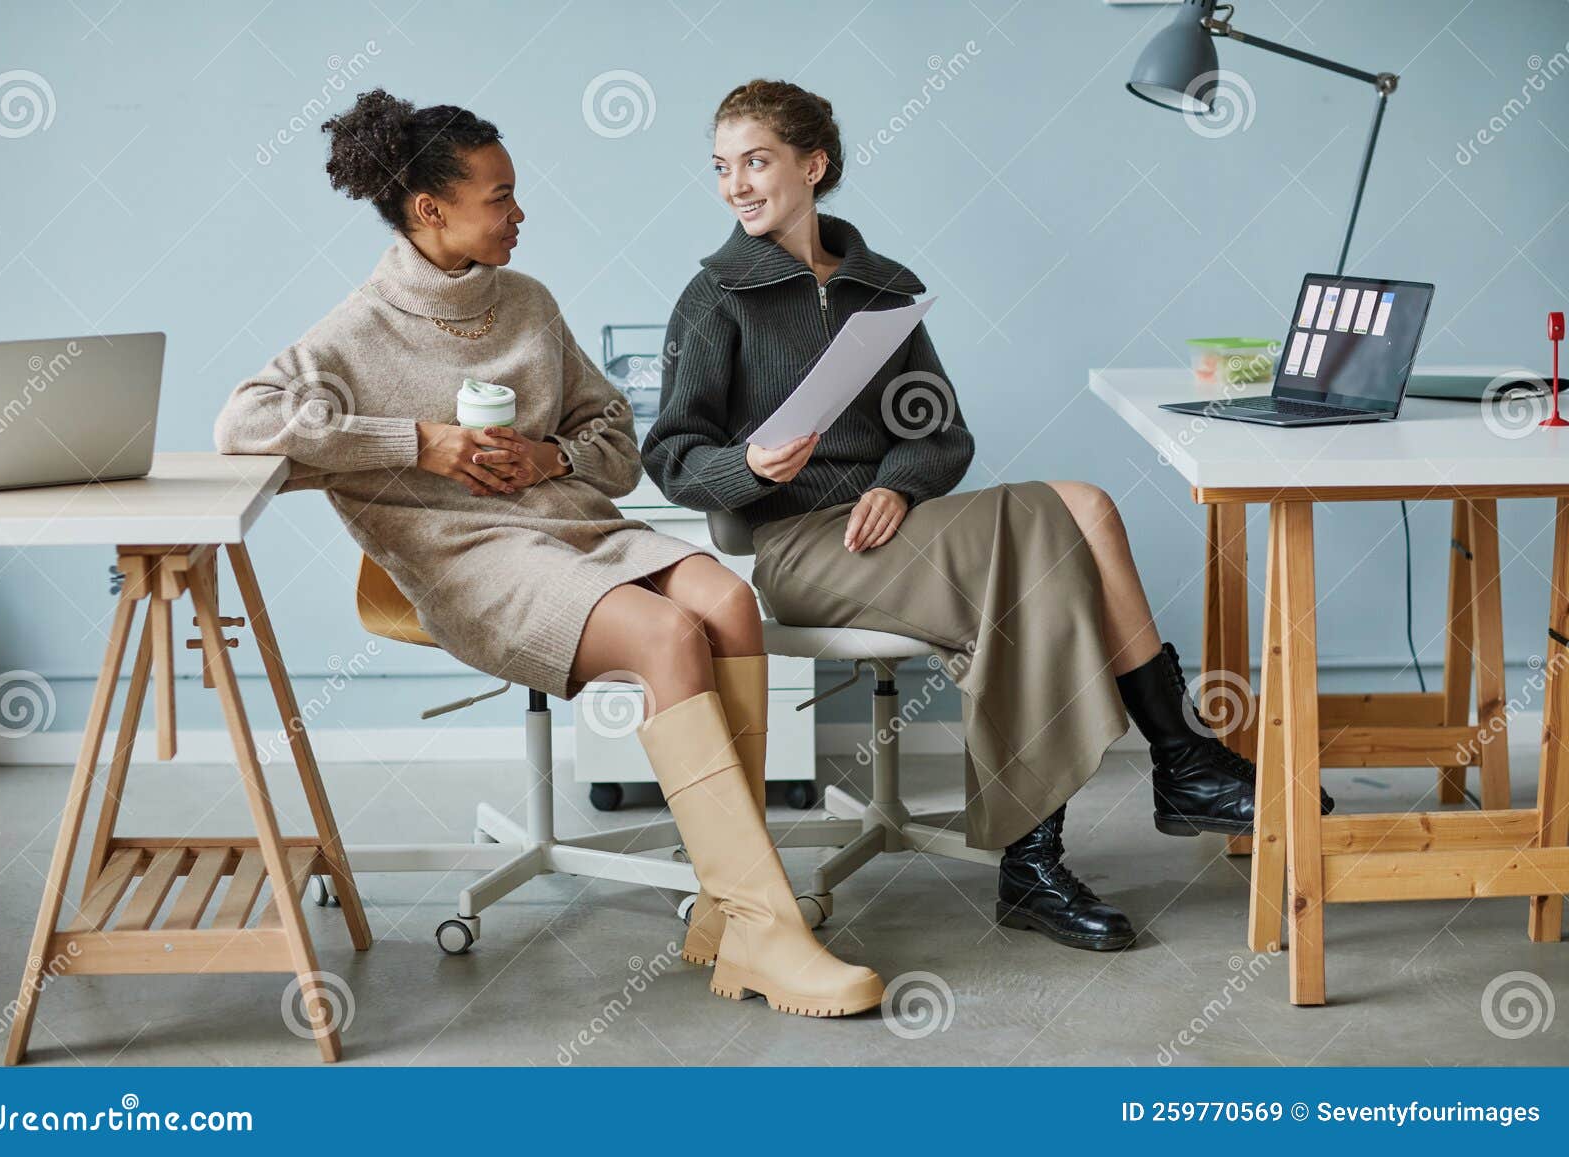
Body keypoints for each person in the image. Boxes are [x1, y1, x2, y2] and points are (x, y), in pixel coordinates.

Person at [213, 88, 882, 1017]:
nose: (520, 213)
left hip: (579, 528)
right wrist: (419, 442)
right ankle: (767, 927)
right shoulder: (357, 331)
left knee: (727, 603)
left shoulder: (527, 302)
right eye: (500, 197)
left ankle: (734, 913)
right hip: (469, 565)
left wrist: (552, 454)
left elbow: (615, 441)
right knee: (667, 637)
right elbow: (242, 422)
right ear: (429, 211)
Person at [641, 78, 1333, 953]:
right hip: (801, 547)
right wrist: (746, 464)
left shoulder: (883, 288)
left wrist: (898, 481)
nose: (736, 184)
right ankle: (1163, 769)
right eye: (722, 167)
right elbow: (669, 455)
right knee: (1056, 524)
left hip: (896, 527)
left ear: (812, 166)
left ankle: (1067, 840)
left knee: (1077, 511)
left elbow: (939, 431)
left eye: (756, 161)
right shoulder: (714, 297)